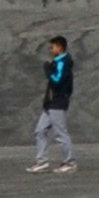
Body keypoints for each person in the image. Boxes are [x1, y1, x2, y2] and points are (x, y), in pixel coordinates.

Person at [32, 34, 79, 174]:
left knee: (61, 133)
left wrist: (47, 70)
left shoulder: (62, 62)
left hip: (57, 102)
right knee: (40, 131)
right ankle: (42, 161)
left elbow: (56, 80)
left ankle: (70, 161)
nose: (50, 50)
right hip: (51, 103)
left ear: (59, 47)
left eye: (52, 47)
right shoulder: (57, 62)